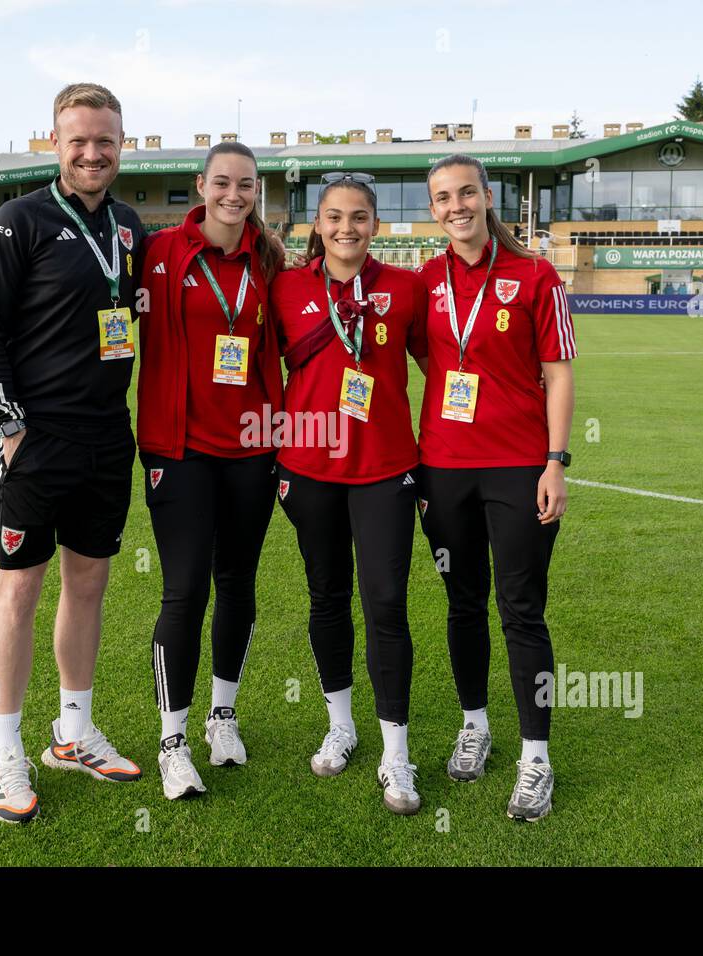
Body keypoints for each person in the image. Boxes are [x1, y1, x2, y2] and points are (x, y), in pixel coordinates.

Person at [0, 83, 145, 824]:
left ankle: (72, 734)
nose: (92, 152)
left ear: (121, 144)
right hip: (36, 441)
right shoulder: (17, 222)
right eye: (78, 140)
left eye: (105, 140)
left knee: (90, 583)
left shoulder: (131, 227)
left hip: (108, 438)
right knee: (18, 589)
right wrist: (11, 429)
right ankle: (6, 751)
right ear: (54, 143)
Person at [416, 154, 577, 822]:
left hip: (518, 468)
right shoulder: (423, 280)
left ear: (487, 197)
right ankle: (475, 725)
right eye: (442, 198)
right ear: (434, 209)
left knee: (521, 610)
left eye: (465, 194)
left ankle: (535, 758)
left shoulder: (534, 274)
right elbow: (427, 357)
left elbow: (559, 373)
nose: (455, 206)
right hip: (444, 467)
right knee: (462, 604)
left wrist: (556, 461)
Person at [269, 172, 430, 814]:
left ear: (376, 225)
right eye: (334, 217)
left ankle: (396, 753)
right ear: (318, 225)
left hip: (386, 470)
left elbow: (446, 366)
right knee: (327, 597)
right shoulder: (286, 288)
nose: (346, 229)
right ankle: (342, 723)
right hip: (308, 470)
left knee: (387, 604)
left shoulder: (406, 288)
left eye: (359, 217)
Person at [135, 141, 285, 799]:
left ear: (258, 190)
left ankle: (223, 716)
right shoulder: (161, 252)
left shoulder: (272, 262)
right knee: (185, 588)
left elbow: (287, 352)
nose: (233, 194)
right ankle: (172, 741)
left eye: (245, 185)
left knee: (238, 582)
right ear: (201, 185)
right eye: (221, 182)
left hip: (252, 449)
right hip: (180, 450)